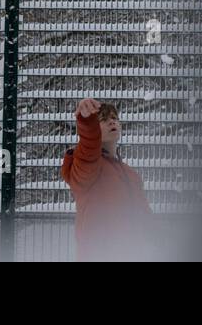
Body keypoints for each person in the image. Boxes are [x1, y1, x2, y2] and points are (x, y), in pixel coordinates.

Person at [60, 96, 154, 261]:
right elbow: (88, 150)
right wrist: (87, 122)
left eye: (114, 118)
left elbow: (146, 220)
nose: (112, 122)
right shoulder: (87, 166)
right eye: (103, 119)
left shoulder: (131, 175)